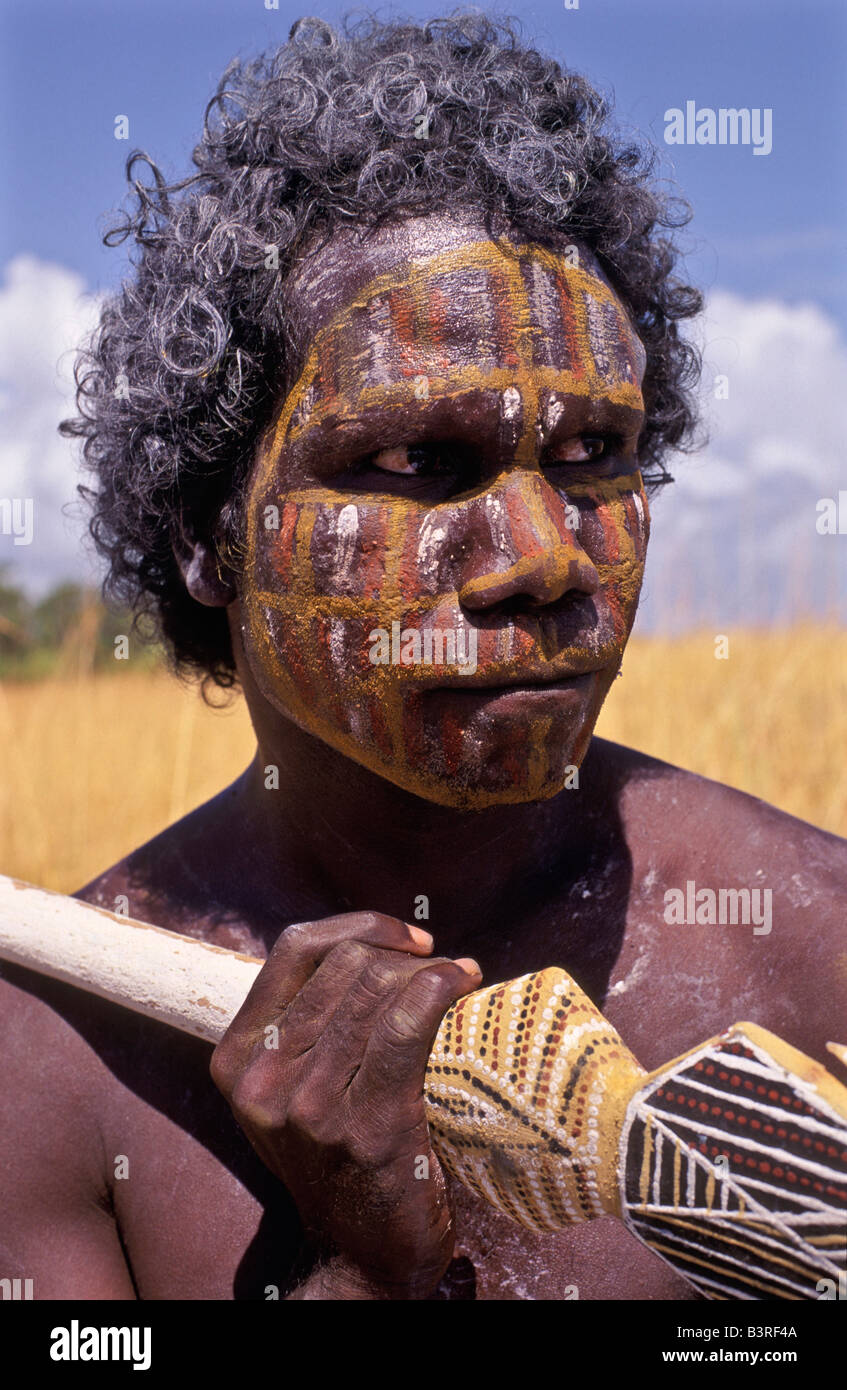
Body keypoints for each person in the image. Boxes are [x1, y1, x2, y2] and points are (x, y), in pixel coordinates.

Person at [1, 12, 843, 1301]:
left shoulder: (812, 950)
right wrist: (359, 1270)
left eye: (591, 457)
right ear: (204, 540)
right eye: (411, 463)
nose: (544, 554)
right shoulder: (56, 1067)